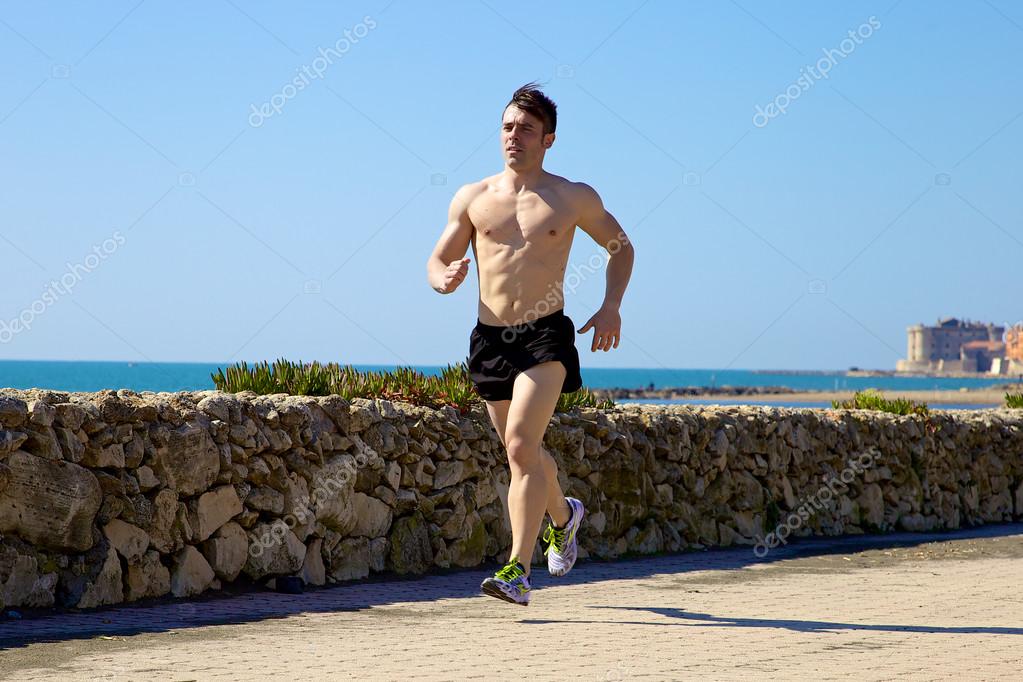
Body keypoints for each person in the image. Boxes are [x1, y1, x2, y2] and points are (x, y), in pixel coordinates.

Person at [426, 82, 635, 605]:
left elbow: (621, 247)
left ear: (549, 140)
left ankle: (517, 571)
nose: (513, 136)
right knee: (526, 454)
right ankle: (564, 517)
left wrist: (611, 305)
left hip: (545, 336)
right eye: (507, 127)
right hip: (490, 340)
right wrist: (442, 278)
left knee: (520, 446)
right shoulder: (472, 198)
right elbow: (435, 260)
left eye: (526, 129)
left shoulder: (571, 197)